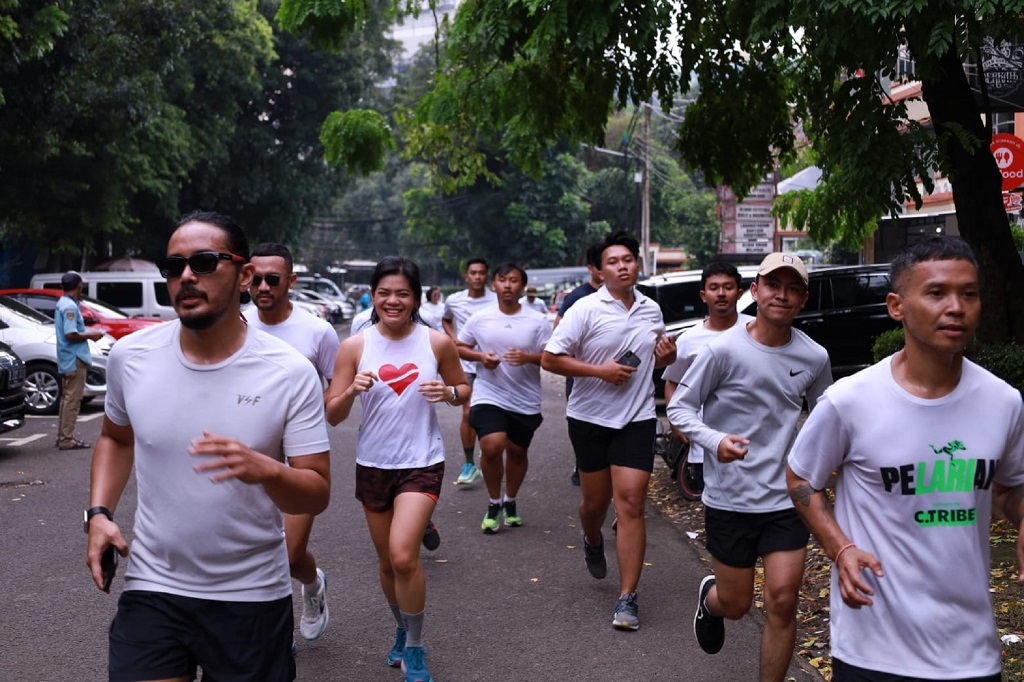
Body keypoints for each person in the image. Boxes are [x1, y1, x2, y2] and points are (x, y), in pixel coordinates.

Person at [85, 211, 331, 682]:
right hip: (154, 586)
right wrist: (98, 514)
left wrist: (266, 470)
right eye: (173, 267)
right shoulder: (131, 357)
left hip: (251, 595)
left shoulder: (288, 371)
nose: (186, 277)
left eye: (203, 262)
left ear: (244, 276)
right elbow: (116, 437)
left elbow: (316, 491)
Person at [786, 236, 1024, 682]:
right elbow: (801, 478)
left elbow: (1010, 488)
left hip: (971, 651)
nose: (956, 307)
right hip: (873, 648)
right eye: (936, 293)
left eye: (968, 294)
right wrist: (842, 550)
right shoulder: (849, 401)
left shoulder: (1003, 402)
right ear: (896, 306)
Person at [666, 252, 831, 682]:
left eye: (792, 288)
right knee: (737, 605)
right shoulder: (722, 351)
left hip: (785, 497)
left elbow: (827, 420)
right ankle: (711, 600)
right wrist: (715, 441)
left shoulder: (814, 357)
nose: (782, 294)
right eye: (772, 285)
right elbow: (680, 409)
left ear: (803, 299)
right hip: (731, 498)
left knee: (782, 599)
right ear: (754, 292)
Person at [326, 256, 469, 682]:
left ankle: (416, 647)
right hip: (373, 464)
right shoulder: (355, 346)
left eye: (402, 293)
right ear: (373, 296)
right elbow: (333, 414)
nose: (392, 300)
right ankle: (401, 628)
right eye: (384, 293)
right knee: (387, 563)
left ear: (415, 298)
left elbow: (464, 390)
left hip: (421, 461)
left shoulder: (436, 342)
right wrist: (351, 389)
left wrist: (447, 392)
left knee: (404, 555)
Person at [541, 230, 676, 631]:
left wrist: (665, 360)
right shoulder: (584, 309)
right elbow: (550, 359)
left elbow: (654, 363)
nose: (622, 266)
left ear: (637, 264)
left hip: (635, 419)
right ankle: (592, 538)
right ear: (600, 271)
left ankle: (627, 598)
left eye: (628, 260)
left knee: (631, 503)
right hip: (589, 420)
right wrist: (598, 371)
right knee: (595, 506)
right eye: (613, 262)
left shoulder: (652, 309)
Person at [243, 242, 340, 643]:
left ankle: (313, 585)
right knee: (251, 554)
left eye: (273, 279)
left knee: (290, 555)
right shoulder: (236, 324)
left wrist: (314, 411)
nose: (263, 287)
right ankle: (273, 640)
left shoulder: (317, 331)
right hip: (250, 456)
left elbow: (337, 392)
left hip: (299, 460)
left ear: (291, 281)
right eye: (255, 278)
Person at [457, 263, 552, 533]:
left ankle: (510, 500)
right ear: (494, 285)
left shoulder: (537, 320)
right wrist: (480, 357)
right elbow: (460, 346)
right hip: (489, 393)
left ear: (522, 286)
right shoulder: (481, 317)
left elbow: (553, 357)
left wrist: (527, 358)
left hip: (525, 398)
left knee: (518, 452)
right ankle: (494, 501)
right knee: (491, 446)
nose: (507, 285)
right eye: (502, 280)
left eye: (513, 280)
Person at [662, 262, 753, 498]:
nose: (721, 293)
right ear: (703, 295)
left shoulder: (757, 331)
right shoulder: (689, 340)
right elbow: (672, 382)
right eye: (714, 288)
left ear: (739, 293)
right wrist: (675, 424)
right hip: (706, 443)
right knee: (715, 511)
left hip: (753, 440)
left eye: (727, 287)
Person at [442, 257, 497, 485]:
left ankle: (488, 451)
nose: (477, 277)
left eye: (481, 273)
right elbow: (446, 320)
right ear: (466, 276)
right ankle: (469, 463)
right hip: (466, 364)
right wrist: (454, 339)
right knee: (467, 412)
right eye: (473, 273)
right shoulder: (454, 300)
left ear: (487, 276)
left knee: (489, 412)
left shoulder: (496, 300)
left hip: (493, 364)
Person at [554, 241, 605, 486]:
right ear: (592, 268)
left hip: (618, 378)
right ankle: (582, 462)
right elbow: (557, 336)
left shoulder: (634, 298)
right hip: (580, 375)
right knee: (582, 420)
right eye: (604, 265)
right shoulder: (577, 298)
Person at [55, 270, 105, 450]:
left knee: (67, 398)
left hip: (68, 357)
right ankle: (66, 439)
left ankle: (62, 436)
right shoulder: (69, 307)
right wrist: (91, 335)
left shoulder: (63, 303)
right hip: (74, 357)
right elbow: (71, 333)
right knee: (73, 399)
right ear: (79, 286)